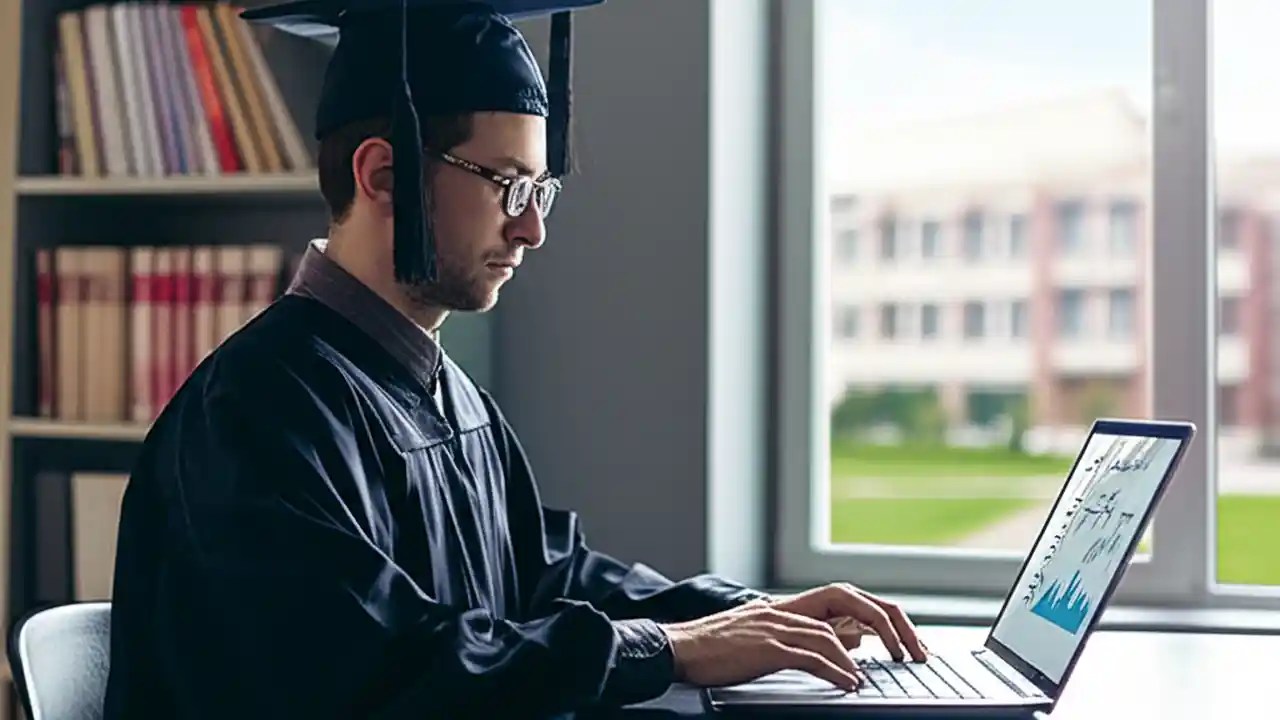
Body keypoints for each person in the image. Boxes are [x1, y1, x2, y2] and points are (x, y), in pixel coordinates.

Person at [102, 1, 927, 718]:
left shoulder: (444, 394)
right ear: (383, 174)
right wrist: (665, 651)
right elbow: (384, 668)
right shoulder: (255, 414)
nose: (531, 230)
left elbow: (545, 578)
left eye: (540, 192)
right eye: (506, 185)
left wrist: (753, 617)